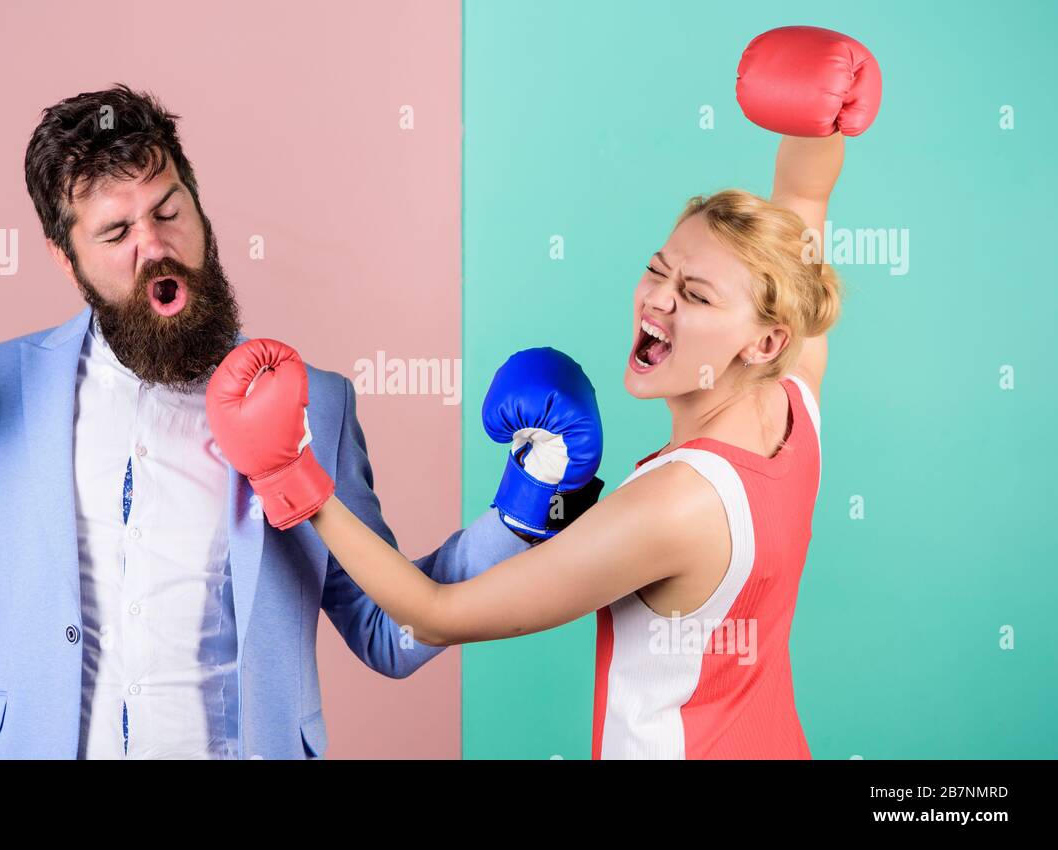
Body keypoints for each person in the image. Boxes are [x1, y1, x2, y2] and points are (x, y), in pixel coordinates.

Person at [0, 84, 605, 759]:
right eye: (117, 231)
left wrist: (533, 494)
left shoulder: (318, 401)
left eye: (169, 211)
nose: (155, 247)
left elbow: (393, 630)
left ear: (201, 210)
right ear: (68, 259)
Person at [205, 26, 878, 759]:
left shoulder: (677, 504)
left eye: (697, 295)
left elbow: (432, 614)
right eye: (658, 269)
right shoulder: (794, 401)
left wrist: (293, 478)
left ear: (764, 339)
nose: (658, 302)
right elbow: (804, 200)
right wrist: (819, 121)